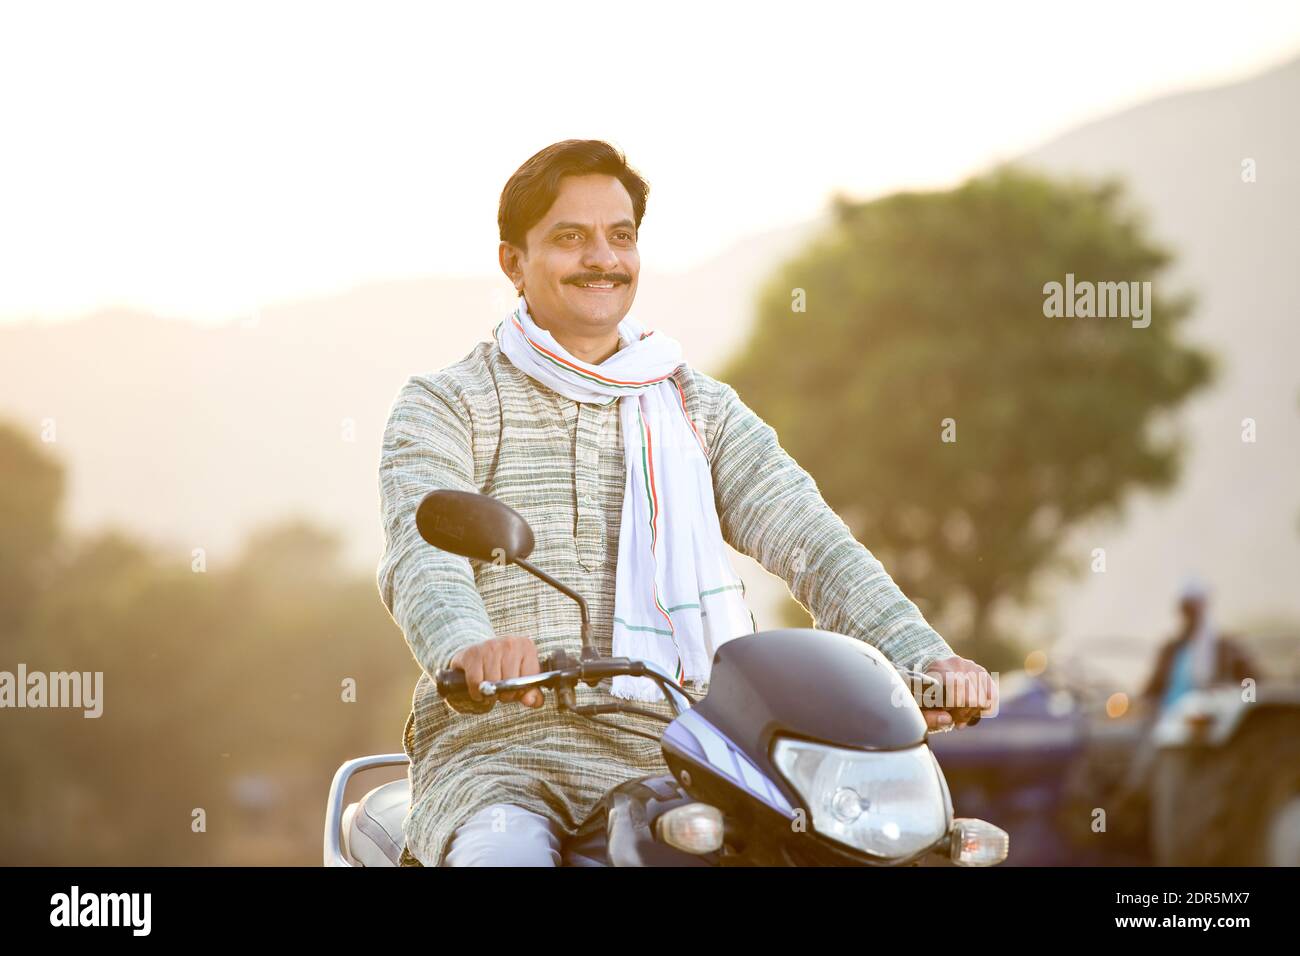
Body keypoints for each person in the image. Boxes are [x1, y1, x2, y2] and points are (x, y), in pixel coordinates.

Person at [376, 140, 996, 867]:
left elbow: (813, 541)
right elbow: (423, 558)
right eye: (569, 237)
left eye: (620, 236)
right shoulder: (447, 404)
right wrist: (467, 648)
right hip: (508, 753)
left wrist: (922, 656)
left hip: (688, 746)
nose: (601, 258)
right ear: (513, 261)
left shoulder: (697, 406)